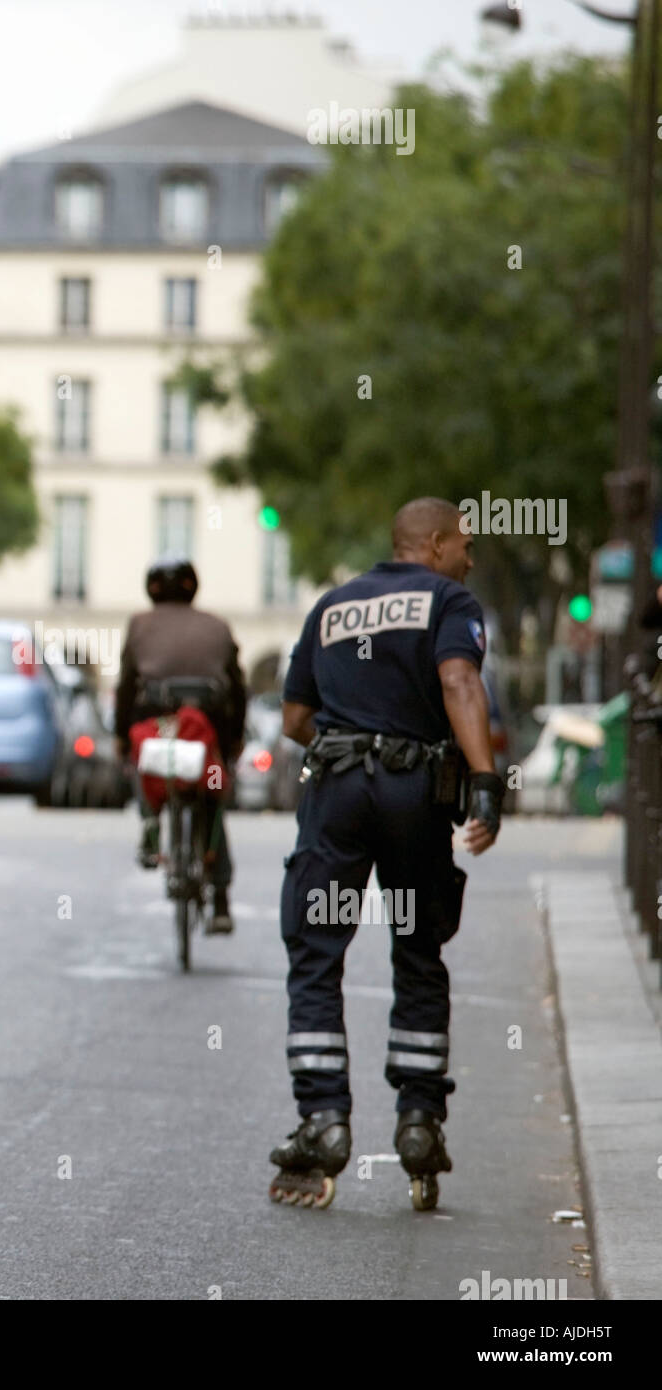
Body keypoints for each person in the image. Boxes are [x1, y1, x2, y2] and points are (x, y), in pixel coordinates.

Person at [268, 497, 503, 1211]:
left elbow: (293, 719)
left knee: (316, 951)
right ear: (431, 544)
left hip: (336, 792)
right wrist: (485, 780)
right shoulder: (447, 599)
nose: (469, 555)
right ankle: (418, 1122)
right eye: (463, 542)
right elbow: (458, 681)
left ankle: (321, 1122)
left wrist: (349, 744)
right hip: (412, 793)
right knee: (417, 946)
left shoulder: (331, 605)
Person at [114, 555, 247, 933]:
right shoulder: (218, 626)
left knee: (145, 767)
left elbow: (126, 687)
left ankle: (151, 828)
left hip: (157, 722)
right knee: (213, 800)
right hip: (211, 725)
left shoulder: (140, 624)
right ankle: (221, 899)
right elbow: (238, 689)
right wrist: (234, 740)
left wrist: (121, 737)